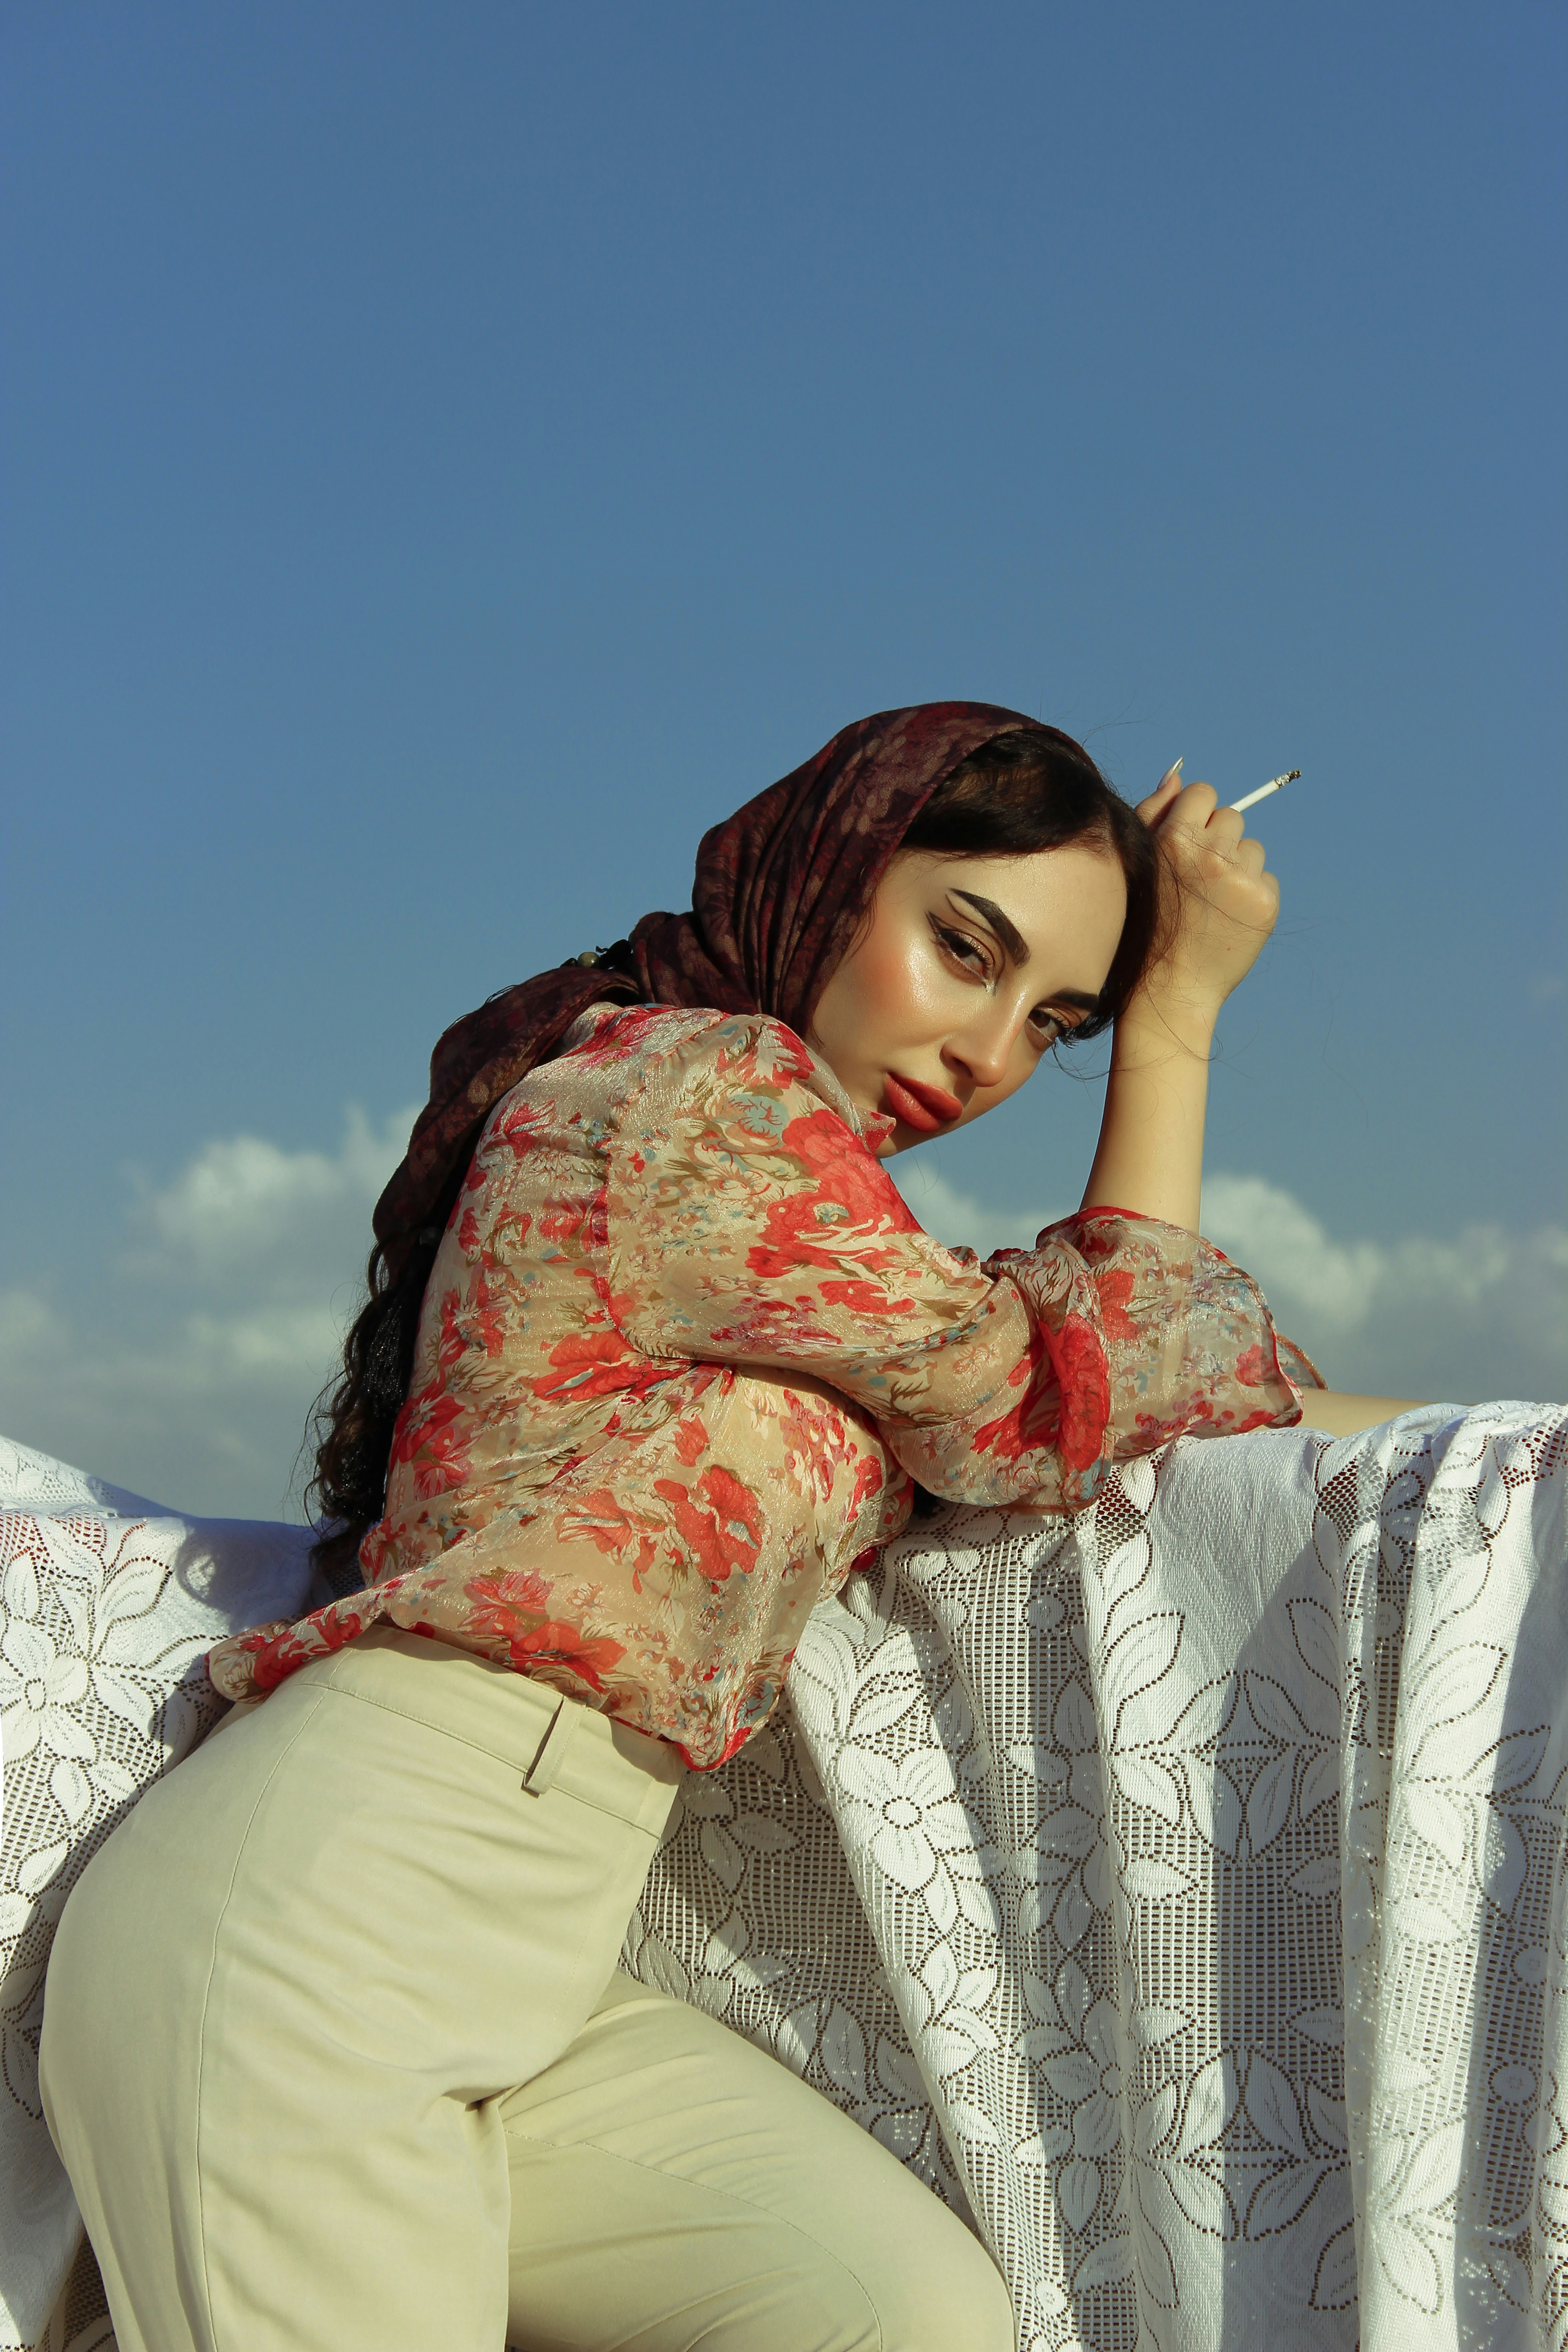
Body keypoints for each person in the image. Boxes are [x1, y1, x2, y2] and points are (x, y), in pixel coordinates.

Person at [38, 702, 1415, 2352]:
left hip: (521, 1966)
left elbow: (1146, 1389)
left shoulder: (812, 1260)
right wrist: (1173, 1020)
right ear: (834, 869)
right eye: (964, 948)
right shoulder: (694, 1092)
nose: (990, 1056)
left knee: (901, 2318)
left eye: (1053, 1022)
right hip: (323, 1932)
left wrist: (1480, 1442)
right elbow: (1066, 1381)